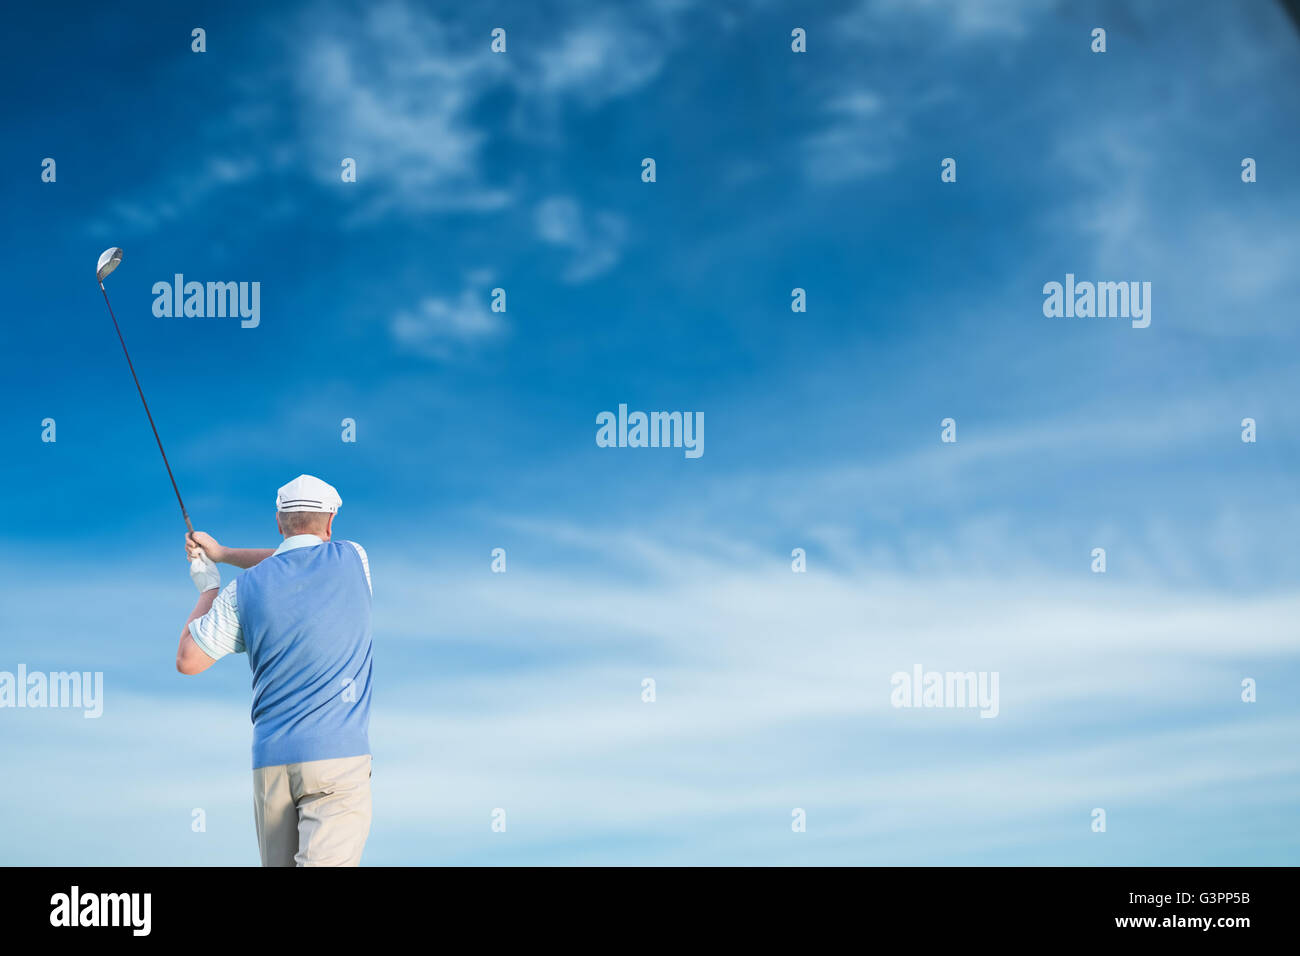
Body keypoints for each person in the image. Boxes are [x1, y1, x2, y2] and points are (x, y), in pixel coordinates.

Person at [176, 474, 374, 867]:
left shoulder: (242, 590)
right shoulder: (355, 558)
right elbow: (296, 557)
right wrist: (225, 552)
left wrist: (208, 586)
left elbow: (188, 659)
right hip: (338, 760)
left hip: (271, 764)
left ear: (278, 523)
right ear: (331, 522)